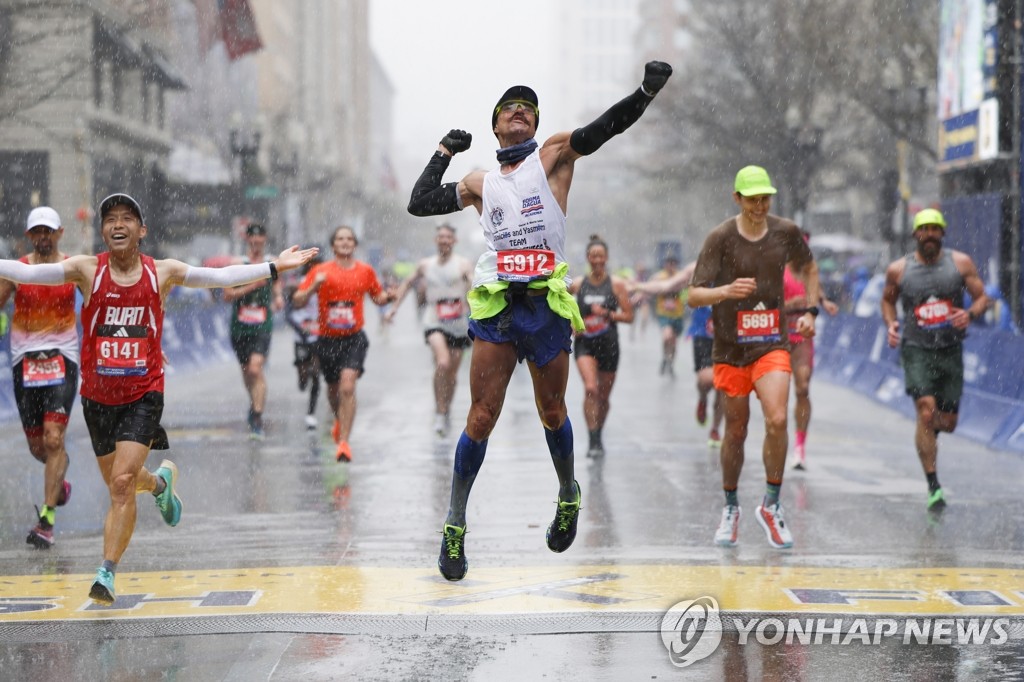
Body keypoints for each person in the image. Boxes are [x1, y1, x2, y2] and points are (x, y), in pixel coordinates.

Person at [407, 60, 672, 580]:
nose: (521, 114)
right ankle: (455, 523)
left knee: (553, 410)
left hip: (546, 303)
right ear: (496, 124)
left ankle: (568, 492)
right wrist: (443, 153)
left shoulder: (552, 156)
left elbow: (603, 129)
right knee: (481, 417)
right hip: (501, 305)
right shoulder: (480, 181)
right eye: (511, 109)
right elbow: (419, 203)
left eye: (528, 109)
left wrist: (644, 93)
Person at [0, 193, 317, 604]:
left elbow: (217, 278)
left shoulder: (162, 272)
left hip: (143, 394)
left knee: (120, 485)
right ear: (103, 231)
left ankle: (106, 573)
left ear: (141, 230)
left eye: (127, 219)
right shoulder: (86, 269)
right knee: (129, 482)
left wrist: (274, 267)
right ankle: (161, 482)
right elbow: (25, 274)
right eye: (110, 219)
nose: (118, 225)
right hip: (97, 397)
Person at [687, 166, 821, 550]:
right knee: (737, 430)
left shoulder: (786, 232)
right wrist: (726, 291)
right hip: (730, 349)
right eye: (752, 199)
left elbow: (810, 268)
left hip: (771, 344)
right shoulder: (721, 238)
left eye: (765, 198)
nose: (760, 206)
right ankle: (731, 507)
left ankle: (771, 503)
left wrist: (811, 311)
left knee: (777, 417)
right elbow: (694, 295)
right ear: (737, 199)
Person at [880, 208, 987, 512]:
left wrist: (969, 314)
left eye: (934, 229)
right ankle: (933, 486)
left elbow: (982, 297)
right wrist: (891, 324)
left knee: (948, 423)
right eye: (923, 229)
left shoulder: (960, 263)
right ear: (915, 234)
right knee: (926, 412)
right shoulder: (899, 269)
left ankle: (929, 432)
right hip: (916, 349)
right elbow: (887, 300)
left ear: (943, 233)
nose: (929, 234)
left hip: (951, 350)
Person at [0, 207, 78, 549]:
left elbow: (98, 304)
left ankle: (46, 520)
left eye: (49, 231)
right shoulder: (17, 270)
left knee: (53, 439)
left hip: (63, 358)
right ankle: (58, 480)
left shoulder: (73, 268)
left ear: (60, 233)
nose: (43, 237)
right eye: (37, 232)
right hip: (25, 361)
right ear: (29, 236)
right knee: (38, 448)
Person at [292, 225, 394, 463]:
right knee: (333, 391)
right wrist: (313, 286)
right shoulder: (320, 271)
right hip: (327, 340)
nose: (345, 242)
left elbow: (377, 297)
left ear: (355, 244)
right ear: (333, 245)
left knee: (348, 387)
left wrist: (389, 297)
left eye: (349, 239)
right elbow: (297, 300)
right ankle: (339, 421)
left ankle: (344, 443)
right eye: (340, 239)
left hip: (354, 339)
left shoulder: (365, 271)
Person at [385, 223, 474, 437]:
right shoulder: (426, 264)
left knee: (452, 373)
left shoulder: (463, 264)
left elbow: (475, 287)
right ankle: (439, 411)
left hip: (458, 322)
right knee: (442, 362)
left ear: (454, 241)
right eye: (440, 236)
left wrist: (474, 290)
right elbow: (407, 284)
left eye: (448, 237)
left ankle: (446, 409)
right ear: (436, 240)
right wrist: (393, 309)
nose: (444, 240)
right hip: (434, 318)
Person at [628, 260, 724, 445]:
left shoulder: (738, 265)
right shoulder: (698, 268)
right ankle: (703, 398)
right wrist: (638, 286)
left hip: (727, 336)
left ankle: (715, 429)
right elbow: (665, 285)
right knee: (706, 380)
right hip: (704, 334)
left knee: (723, 386)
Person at [569, 235, 634, 458]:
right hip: (585, 344)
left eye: (601, 256)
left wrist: (606, 313)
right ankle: (593, 439)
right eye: (593, 255)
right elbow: (563, 307)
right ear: (588, 257)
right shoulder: (578, 284)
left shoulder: (616, 285)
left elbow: (628, 316)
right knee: (591, 389)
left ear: (606, 258)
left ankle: (598, 433)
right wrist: (571, 324)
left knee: (604, 398)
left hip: (609, 344)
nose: (597, 259)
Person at [221, 223, 284, 440]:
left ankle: (257, 417)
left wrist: (278, 297)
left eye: (260, 239)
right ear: (247, 240)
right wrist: (252, 286)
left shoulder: (271, 263)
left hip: (262, 325)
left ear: (265, 239)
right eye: (252, 239)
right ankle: (254, 403)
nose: (256, 242)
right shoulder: (237, 264)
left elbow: (276, 286)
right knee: (247, 371)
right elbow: (227, 295)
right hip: (239, 326)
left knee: (256, 369)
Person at [783, 234, 839, 470]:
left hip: (803, 337)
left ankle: (799, 448)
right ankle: (777, 440)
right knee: (778, 395)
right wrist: (791, 305)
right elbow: (765, 304)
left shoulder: (810, 271)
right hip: (779, 337)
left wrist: (824, 303)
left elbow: (818, 292)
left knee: (803, 388)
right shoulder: (778, 270)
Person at [285, 251, 323, 430]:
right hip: (301, 336)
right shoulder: (297, 285)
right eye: (311, 264)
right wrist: (301, 329)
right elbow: (288, 313)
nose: (314, 268)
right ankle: (302, 379)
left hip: (320, 335)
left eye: (317, 264)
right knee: (303, 378)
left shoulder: (326, 284)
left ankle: (311, 414)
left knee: (316, 374)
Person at [652, 255, 686, 376]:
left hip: (678, 314)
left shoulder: (681, 276)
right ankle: (665, 357)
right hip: (664, 314)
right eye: (668, 263)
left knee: (674, 341)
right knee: (667, 336)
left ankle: (670, 363)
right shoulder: (659, 277)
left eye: (673, 263)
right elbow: (652, 288)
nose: (670, 266)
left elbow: (688, 289)